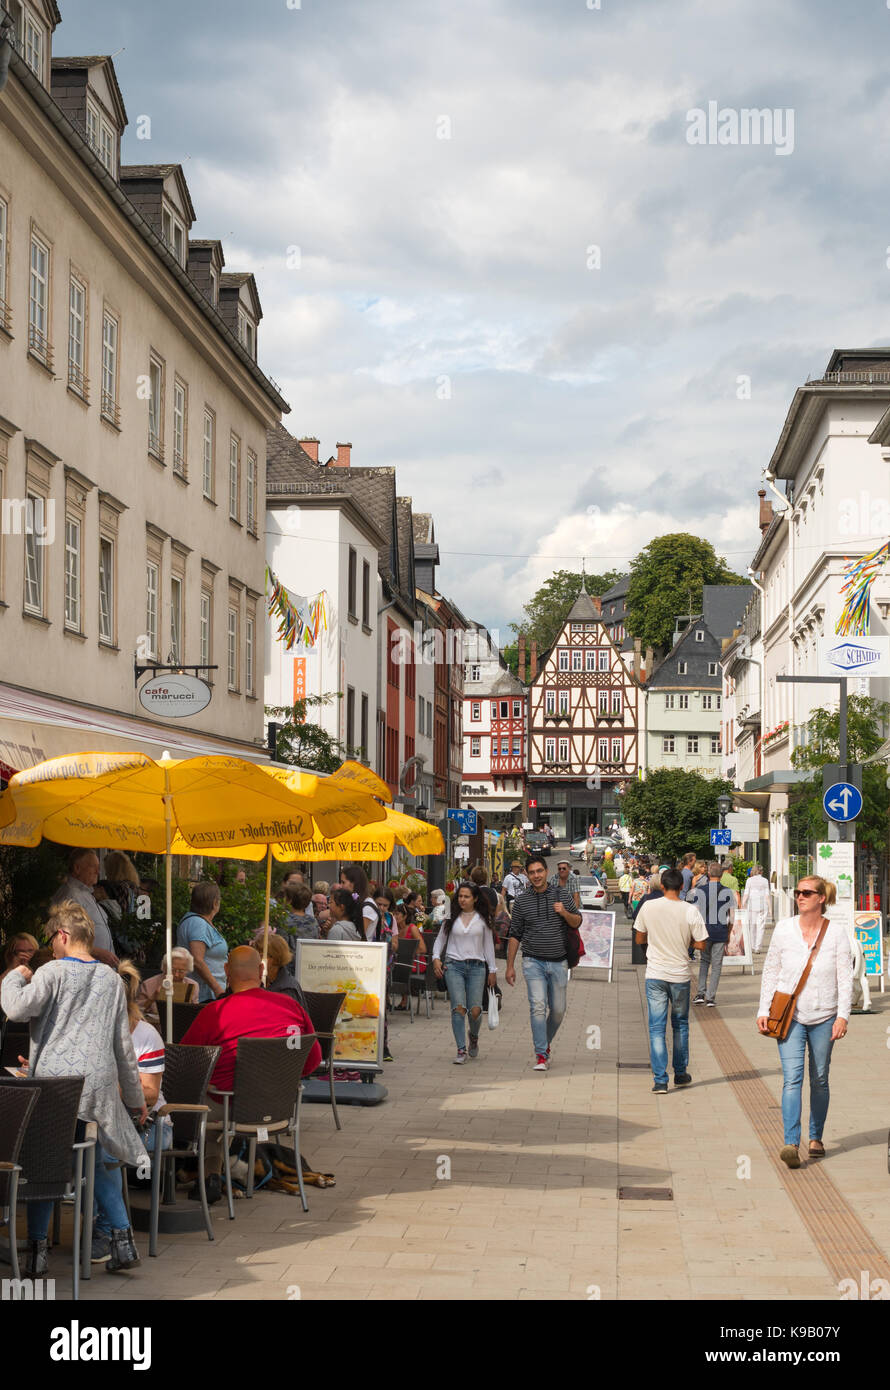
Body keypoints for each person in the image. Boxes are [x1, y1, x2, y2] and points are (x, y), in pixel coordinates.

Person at [0, 901, 148, 1275]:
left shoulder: (51, 971)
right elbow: (123, 1048)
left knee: (44, 1163)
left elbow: (16, 1010)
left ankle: (36, 1252)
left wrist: (14, 976)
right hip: (95, 1086)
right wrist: (133, 1100)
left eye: (52, 939)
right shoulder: (112, 980)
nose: (51, 947)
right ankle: (123, 1238)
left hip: (55, 1085)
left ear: (63, 936)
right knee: (95, 1161)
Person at [180, 947, 321, 1203]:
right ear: (261, 971)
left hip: (229, 1107)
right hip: (281, 1108)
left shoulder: (215, 1013)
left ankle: (209, 1174)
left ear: (226, 972)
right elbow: (312, 1061)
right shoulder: (292, 1007)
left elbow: (187, 1066)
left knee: (198, 1103)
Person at [757, 876, 851, 1168]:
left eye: (806, 892)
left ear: (821, 898)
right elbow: (771, 970)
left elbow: (845, 977)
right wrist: (764, 1009)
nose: (800, 896)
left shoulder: (836, 933)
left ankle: (816, 1137)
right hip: (791, 1015)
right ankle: (791, 1142)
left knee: (820, 1078)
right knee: (792, 1079)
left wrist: (843, 1016)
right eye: (797, 892)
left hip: (824, 1016)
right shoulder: (784, 929)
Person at [89, 960, 172, 1265]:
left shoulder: (145, 1035)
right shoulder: (93, 1031)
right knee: (85, 1147)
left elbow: (149, 1094)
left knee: (102, 1152)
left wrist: (105, 1085)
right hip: (107, 1122)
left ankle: (109, 1231)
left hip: (152, 1126)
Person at [634, 869, 708, 1092]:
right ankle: (681, 1072)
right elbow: (702, 944)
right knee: (680, 1025)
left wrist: (653, 943)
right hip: (679, 976)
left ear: (663, 886)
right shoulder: (690, 910)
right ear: (681, 887)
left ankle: (660, 1080)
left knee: (656, 1028)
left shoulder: (648, 907)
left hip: (655, 974)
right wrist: (685, 943)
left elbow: (639, 936)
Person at [506, 855, 581, 1071]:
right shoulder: (521, 901)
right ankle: (541, 1055)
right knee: (538, 1007)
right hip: (533, 962)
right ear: (527, 875)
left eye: (539, 871)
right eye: (532, 872)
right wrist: (510, 966)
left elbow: (577, 921)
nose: (536, 875)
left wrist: (564, 912)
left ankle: (544, 1043)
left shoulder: (561, 894)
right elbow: (515, 934)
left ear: (546, 872)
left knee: (558, 1010)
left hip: (558, 962)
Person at [432, 883, 497, 1064]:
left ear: (475, 898)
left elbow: (488, 946)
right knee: (458, 1008)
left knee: (475, 1011)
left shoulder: (483, 918)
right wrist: (436, 957)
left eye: (466, 896)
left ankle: (473, 1036)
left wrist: (492, 969)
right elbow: (440, 940)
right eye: (460, 896)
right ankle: (461, 1049)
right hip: (454, 966)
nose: (462, 899)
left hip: (477, 967)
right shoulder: (450, 915)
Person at [50, 848, 117, 957]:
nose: (98, 871)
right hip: (84, 966)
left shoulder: (85, 893)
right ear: (77, 868)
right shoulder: (70, 894)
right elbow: (63, 938)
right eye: (93, 866)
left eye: (98, 867)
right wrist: (98, 953)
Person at [689, 862, 736, 1006]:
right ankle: (711, 997)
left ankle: (700, 993)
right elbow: (732, 916)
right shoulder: (728, 892)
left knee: (704, 962)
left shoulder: (701, 890)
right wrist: (728, 932)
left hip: (704, 931)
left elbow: (695, 912)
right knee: (717, 965)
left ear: (708, 874)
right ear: (721, 875)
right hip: (720, 931)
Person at [177, 881, 227, 1002]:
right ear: (215, 903)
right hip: (206, 995)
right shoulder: (198, 924)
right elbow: (197, 961)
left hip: (208, 993)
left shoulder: (198, 922)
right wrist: (218, 989)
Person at [137, 947, 199, 1021]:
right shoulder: (148, 984)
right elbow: (137, 1013)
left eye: (181, 971)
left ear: (188, 970)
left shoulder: (192, 985)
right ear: (165, 967)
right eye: (172, 970)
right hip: (156, 1028)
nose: (176, 974)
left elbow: (195, 1013)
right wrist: (153, 997)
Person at [256, 931, 307, 1008]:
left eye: (259, 955)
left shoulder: (287, 990)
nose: (255, 959)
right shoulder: (264, 981)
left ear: (274, 958)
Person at [340, 864, 382, 941]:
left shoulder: (367, 907)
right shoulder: (360, 902)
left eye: (343, 882)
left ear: (353, 883)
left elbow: (357, 936)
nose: (341, 886)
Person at [743, 863, 772, 952]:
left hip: (752, 905)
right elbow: (767, 895)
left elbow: (746, 894)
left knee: (752, 926)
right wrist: (770, 908)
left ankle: (752, 946)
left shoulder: (749, 880)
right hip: (763, 905)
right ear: (760, 871)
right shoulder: (765, 880)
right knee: (761, 926)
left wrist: (743, 905)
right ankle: (758, 947)